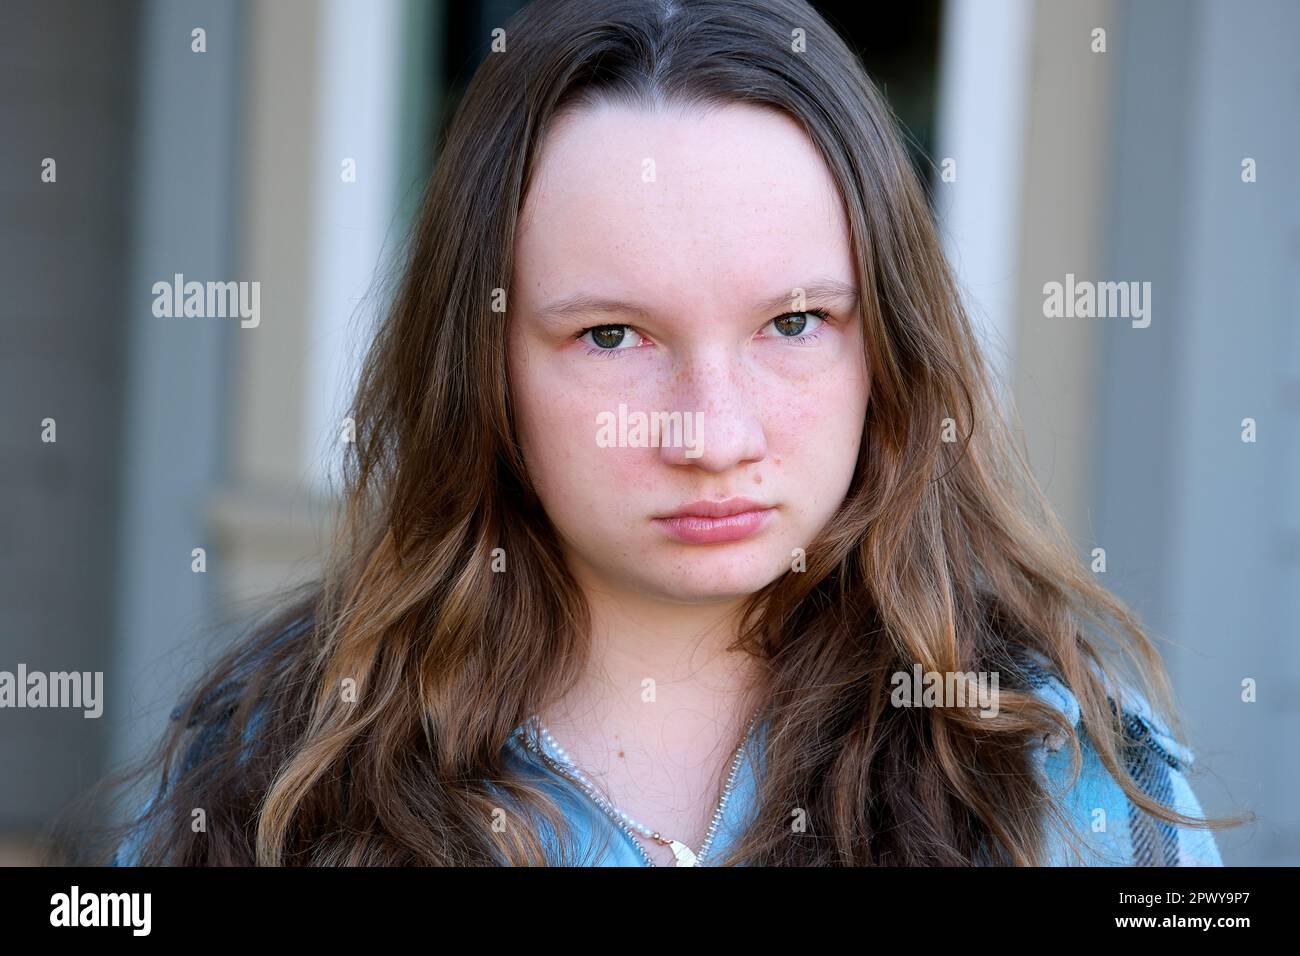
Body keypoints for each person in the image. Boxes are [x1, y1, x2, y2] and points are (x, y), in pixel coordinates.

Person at [103, 0, 1241, 866]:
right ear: (481, 366)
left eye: (793, 322)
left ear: (885, 346)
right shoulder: (279, 766)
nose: (710, 430)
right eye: (610, 335)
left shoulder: (1063, 764)